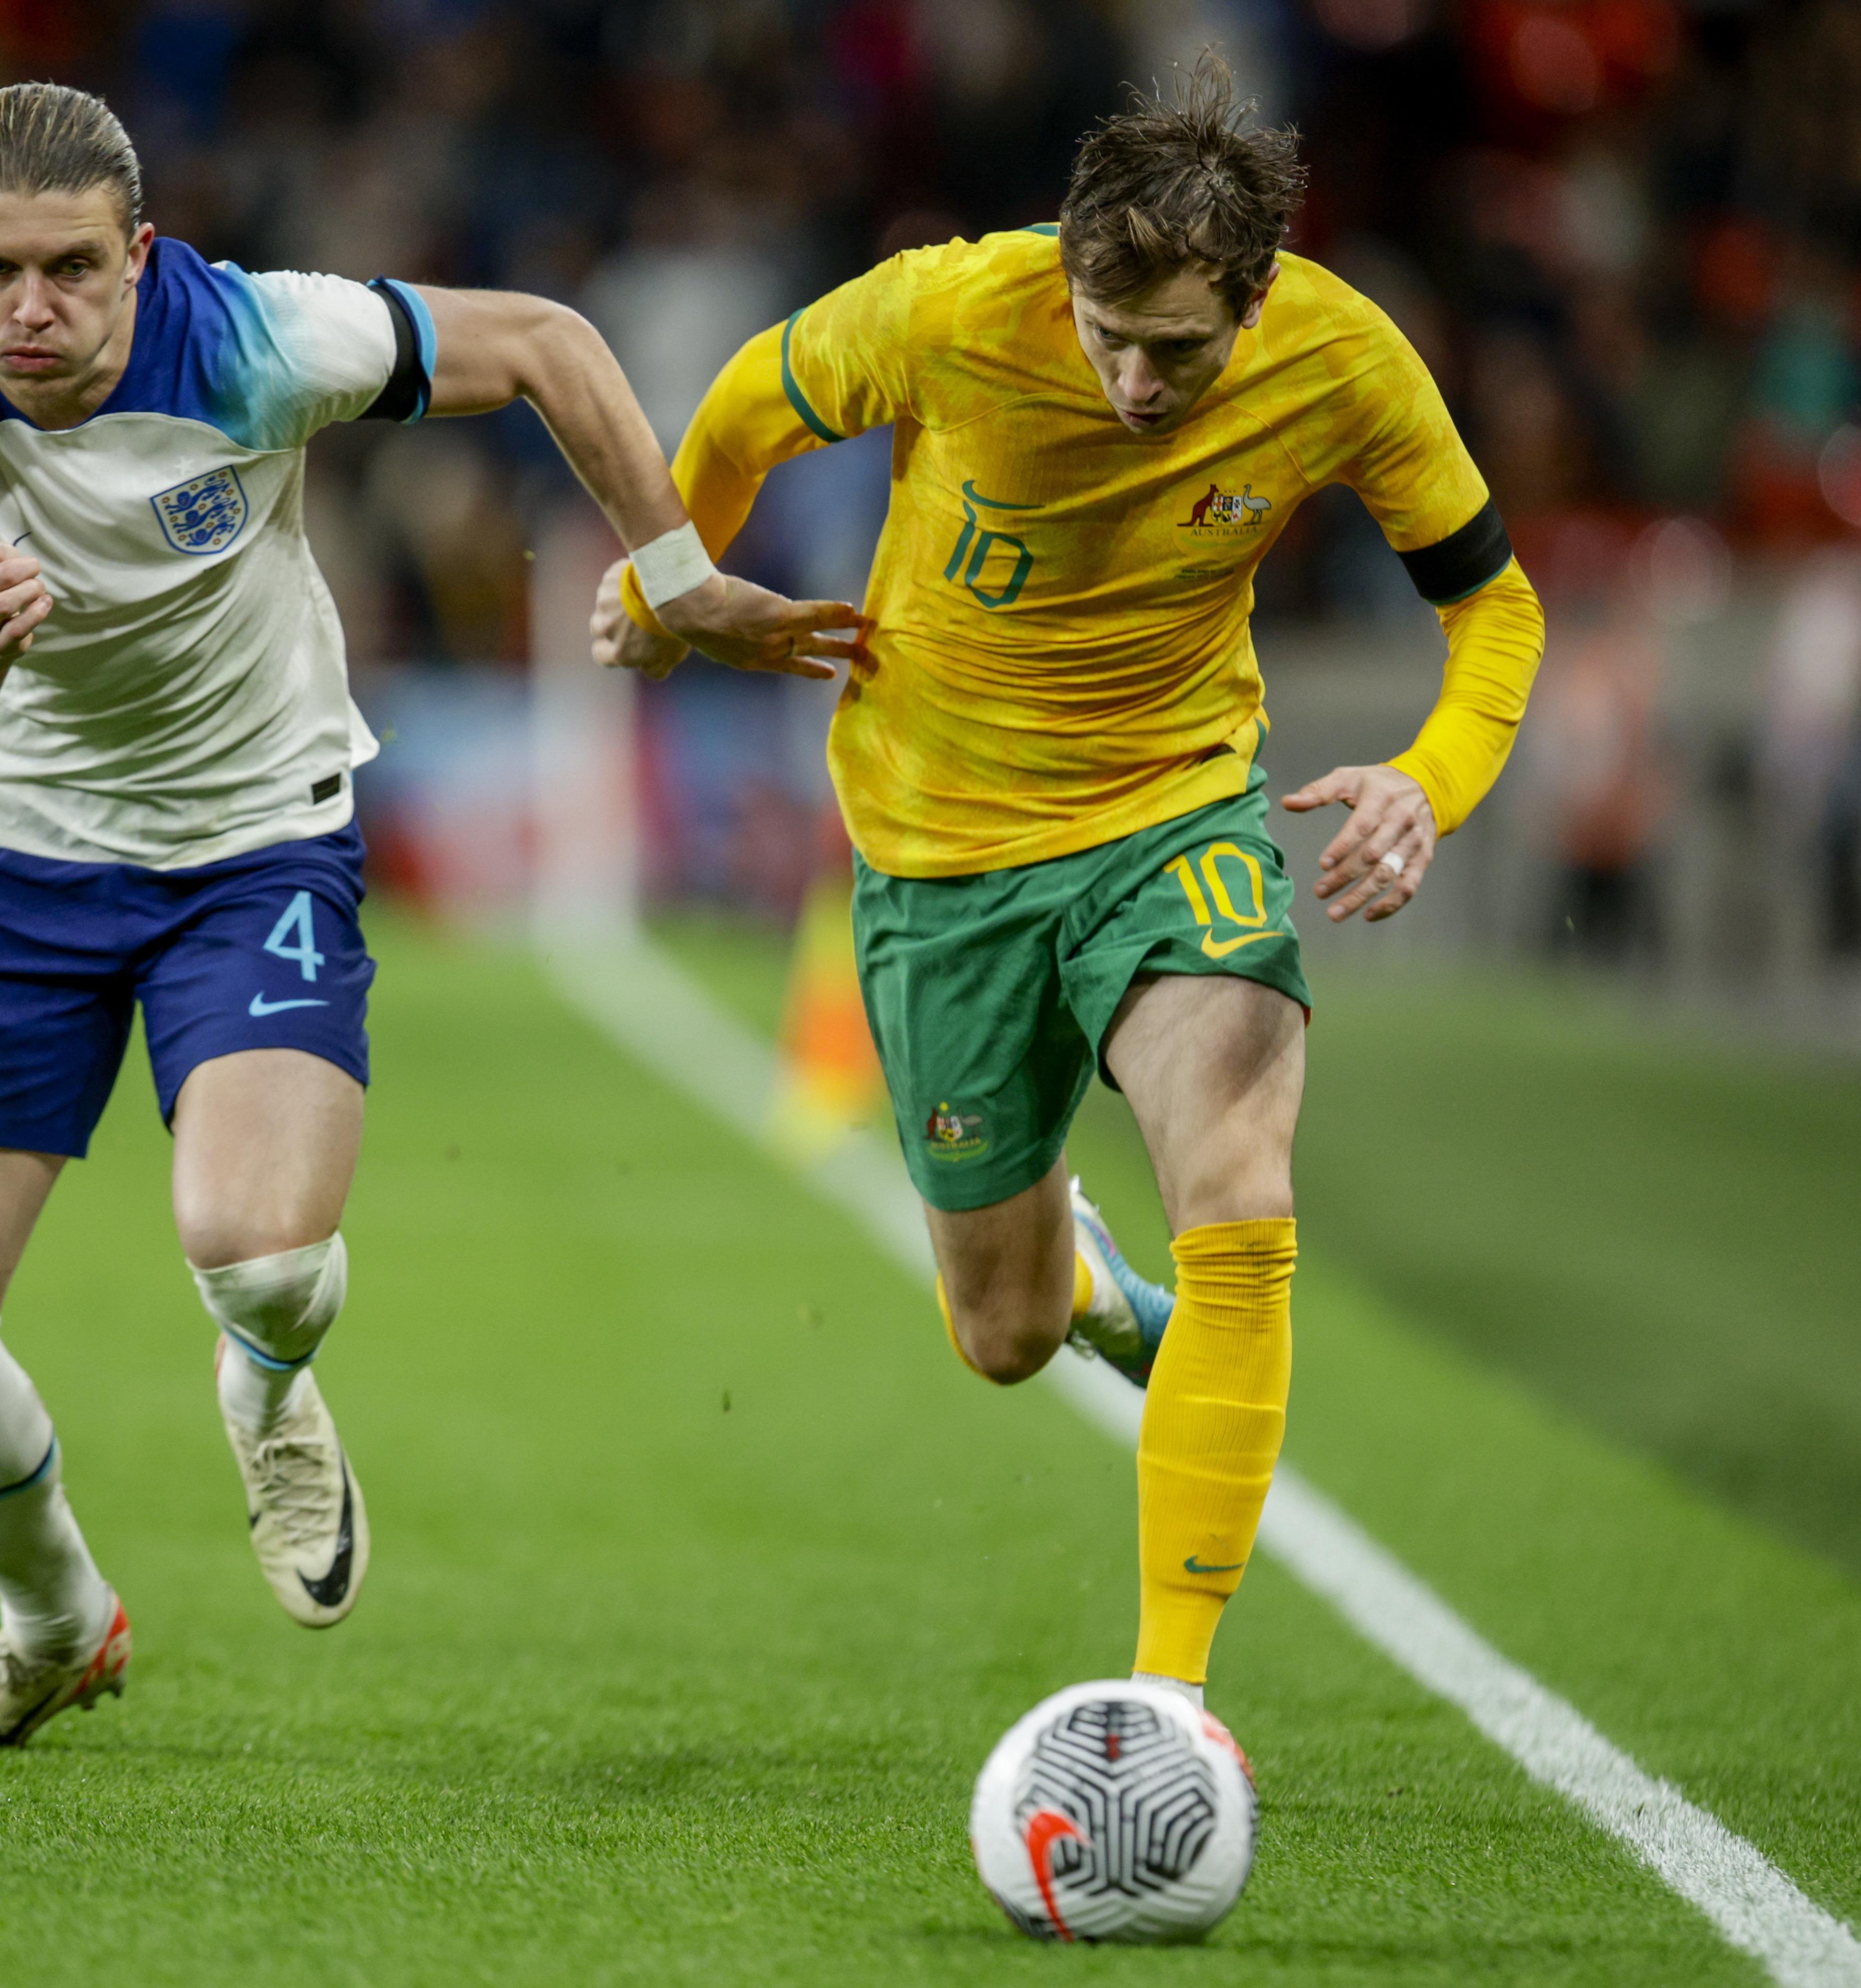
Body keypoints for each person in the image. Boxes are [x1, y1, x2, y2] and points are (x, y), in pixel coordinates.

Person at [0, 83, 851, 1751]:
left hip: (253, 845)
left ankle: (267, 1386)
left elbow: (544, 340)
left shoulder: (258, 341)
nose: (35, 310)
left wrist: (678, 577)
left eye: (75, 269)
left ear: (139, 254)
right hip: (12, 862)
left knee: (268, 1255)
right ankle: (54, 1623)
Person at [592, 60, 1543, 1709]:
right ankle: (1092, 1284)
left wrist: (1427, 780)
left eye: (1179, 349)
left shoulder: (1347, 357)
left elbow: (1498, 612)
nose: (1136, 380)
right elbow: (750, 402)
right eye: (1109, 336)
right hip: (937, 855)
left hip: (1176, 814)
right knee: (1004, 1336)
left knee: (1241, 1182)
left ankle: (1168, 1704)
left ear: (1254, 300)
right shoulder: (954, 309)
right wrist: (680, 581)